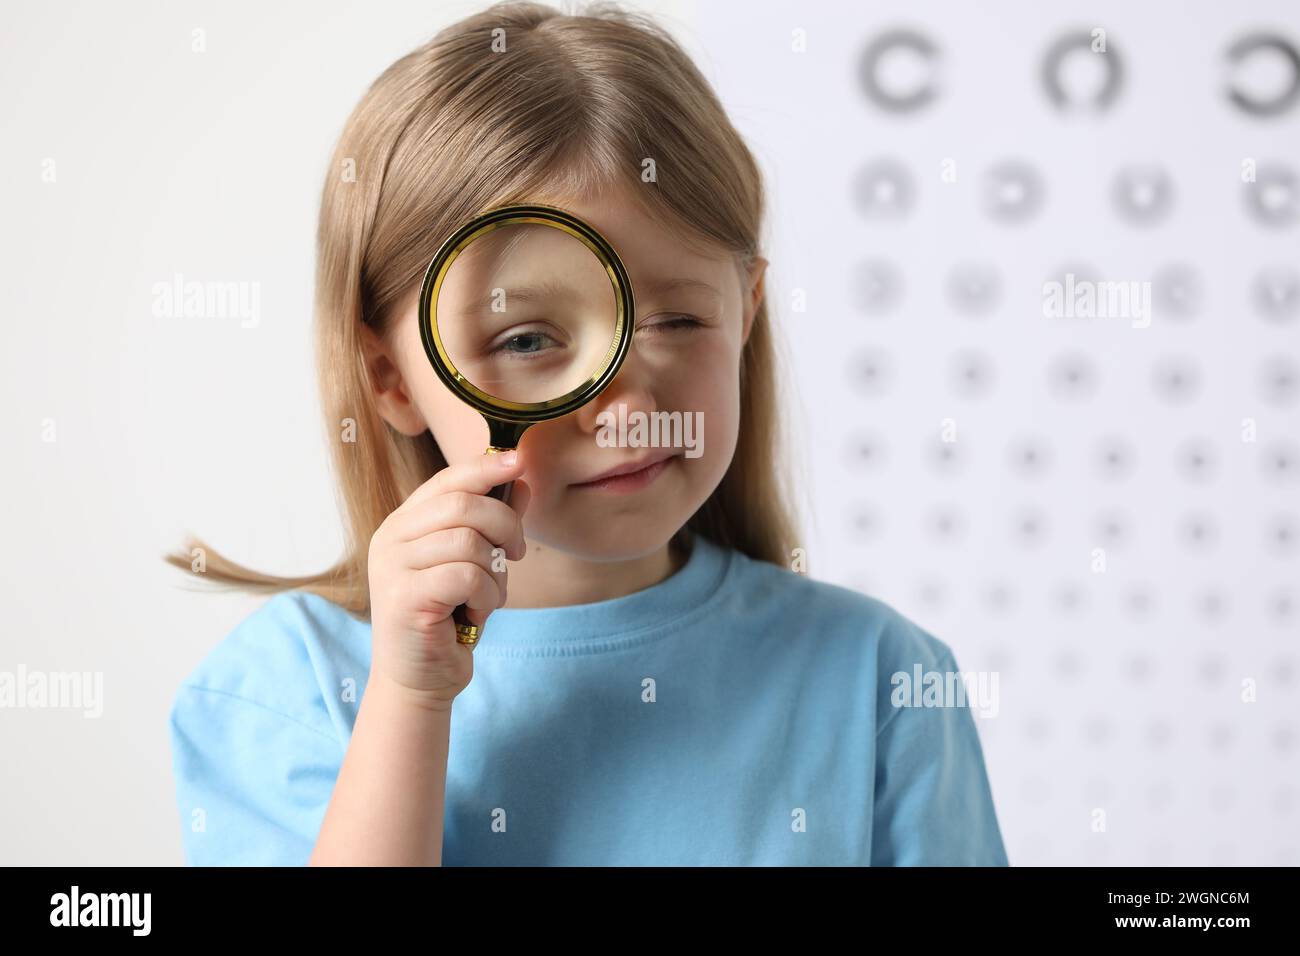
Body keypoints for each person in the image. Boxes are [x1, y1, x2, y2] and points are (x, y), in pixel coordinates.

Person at [165, 0, 1009, 866]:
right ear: (389, 379)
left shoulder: (881, 678)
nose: (634, 411)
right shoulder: (281, 690)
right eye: (526, 340)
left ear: (747, 311)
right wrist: (410, 702)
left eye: (680, 320)